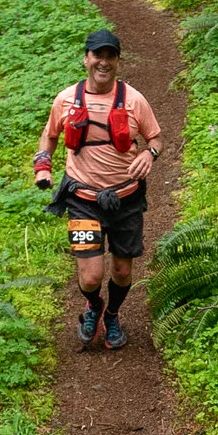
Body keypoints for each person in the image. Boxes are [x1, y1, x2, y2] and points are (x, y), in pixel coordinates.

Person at [33, 27, 164, 351]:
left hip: (126, 199)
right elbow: (50, 136)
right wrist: (42, 166)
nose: (103, 62)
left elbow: (157, 139)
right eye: (98, 55)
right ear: (86, 59)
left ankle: (114, 314)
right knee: (90, 277)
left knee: (121, 271)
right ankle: (94, 306)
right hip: (82, 199)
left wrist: (149, 153)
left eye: (110, 56)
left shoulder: (134, 100)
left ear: (118, 61)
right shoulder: (65, 99)